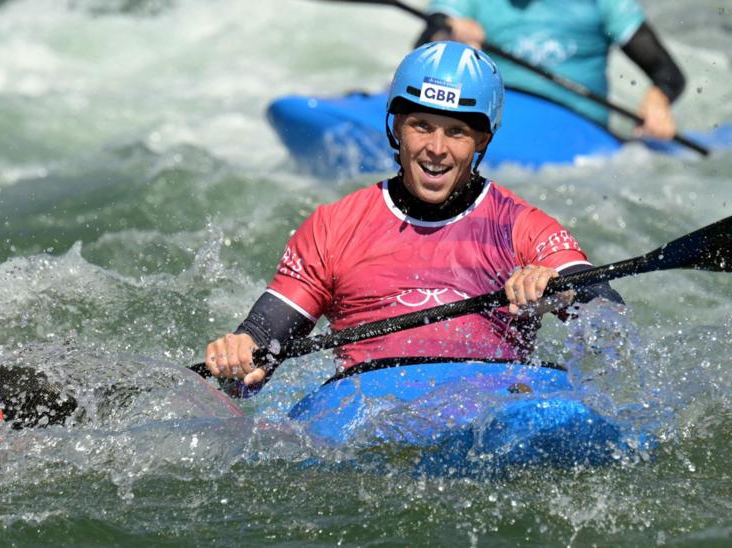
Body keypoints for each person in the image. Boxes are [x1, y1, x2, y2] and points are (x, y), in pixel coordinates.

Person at [205, 41, 623, 389]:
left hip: (492, 414)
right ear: (396, 127)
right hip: (369, 415)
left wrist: (562, 289)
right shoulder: (333, 226)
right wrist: (239, 355)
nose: (436, 148)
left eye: (456, 131)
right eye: (422, 125)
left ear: (482, 140)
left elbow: (611, 320)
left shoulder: (522, 226)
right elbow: (262, 343)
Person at [416, 0, 686, 139]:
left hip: (580, 134)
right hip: (490, 123)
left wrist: (657, 100)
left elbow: (668, 73)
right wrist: (446, 35)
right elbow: (423, 47)